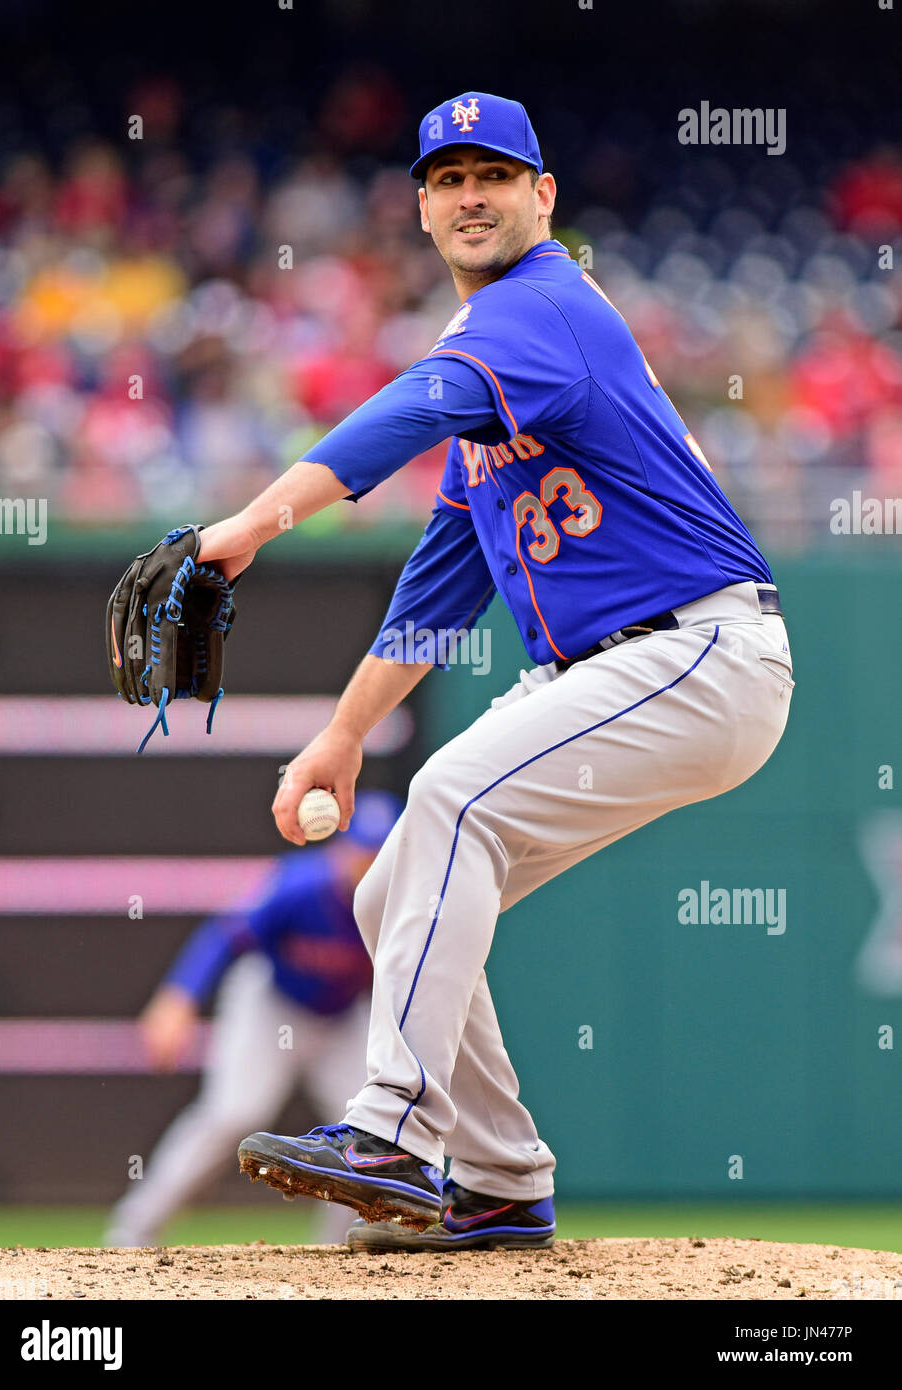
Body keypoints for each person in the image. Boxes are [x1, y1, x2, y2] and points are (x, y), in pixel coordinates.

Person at [178, 91, 794, 1251]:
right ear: (419, 205)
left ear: (541, 196)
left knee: (450, 802)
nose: (471, 196)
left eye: (494, 175)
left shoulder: (542, 306)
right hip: (626, 667)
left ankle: (390, 1128)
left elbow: (407, 410)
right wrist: (344, 733)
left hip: (699, 648)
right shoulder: (490, 367)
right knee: (387, 883)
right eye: (448, 179)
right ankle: (503, 1178)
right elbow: (444, 577)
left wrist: (258, 518)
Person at [105, 790, 402, 1248]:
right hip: (270, 1004)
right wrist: (178, 998)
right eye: (362, 849)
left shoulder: (398, 906)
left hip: (343, 1019)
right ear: (340, 847)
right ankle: (133, 1233)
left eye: (379, 852)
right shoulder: (300, 886)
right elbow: (226, 935)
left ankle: (343, 1249)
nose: (367, 861)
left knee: (366, 1134)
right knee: (232, 1114)